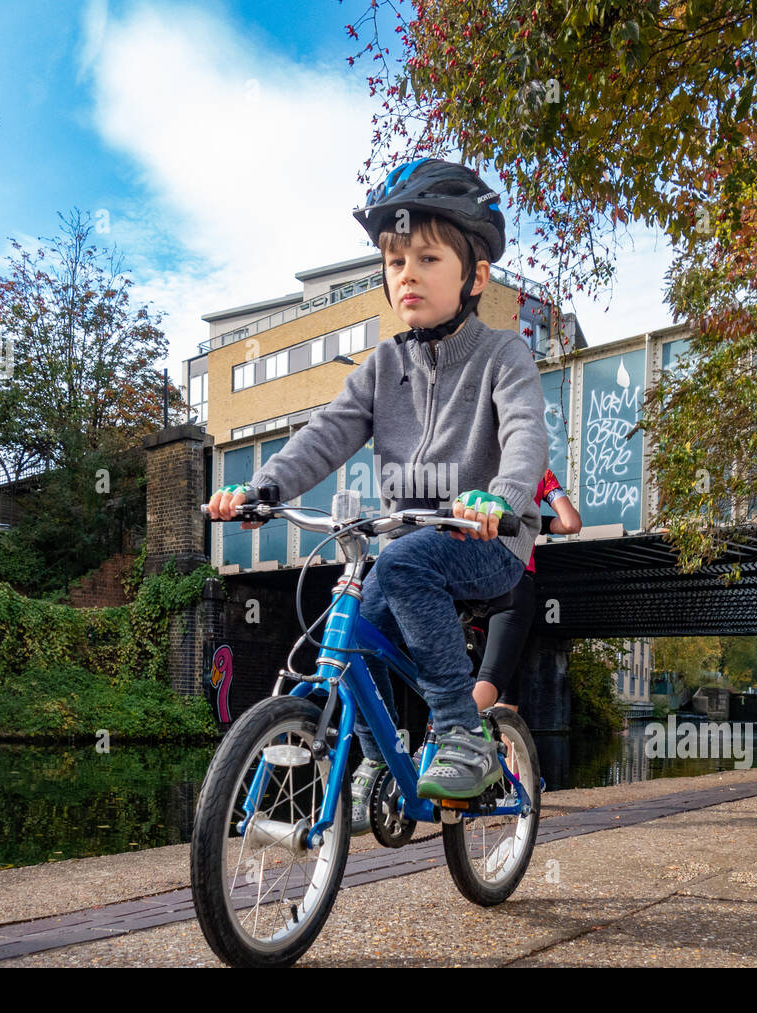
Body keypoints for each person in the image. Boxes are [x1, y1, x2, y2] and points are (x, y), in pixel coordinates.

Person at [205, 159, 548, 835]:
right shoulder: (382, 366)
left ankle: (459, 736)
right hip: (407, 546)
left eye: (427, 257)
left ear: (475, 276)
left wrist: (500, 497)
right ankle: (372, 760)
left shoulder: (503, 355)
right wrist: (264, 488)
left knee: (407, 563)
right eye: (394, 262)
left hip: (487, 541)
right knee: (356, 607)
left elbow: (525, 435)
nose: (407, 274)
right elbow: (326, 435)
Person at [474, 468, 582, 715]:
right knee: (501, 690)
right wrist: (534, 524)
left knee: (448, 679)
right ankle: (446, 731)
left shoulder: (476, 459)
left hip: (467, 582)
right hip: (512, 584)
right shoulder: (540, 474)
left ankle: (428, 743)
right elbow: (571, 523)